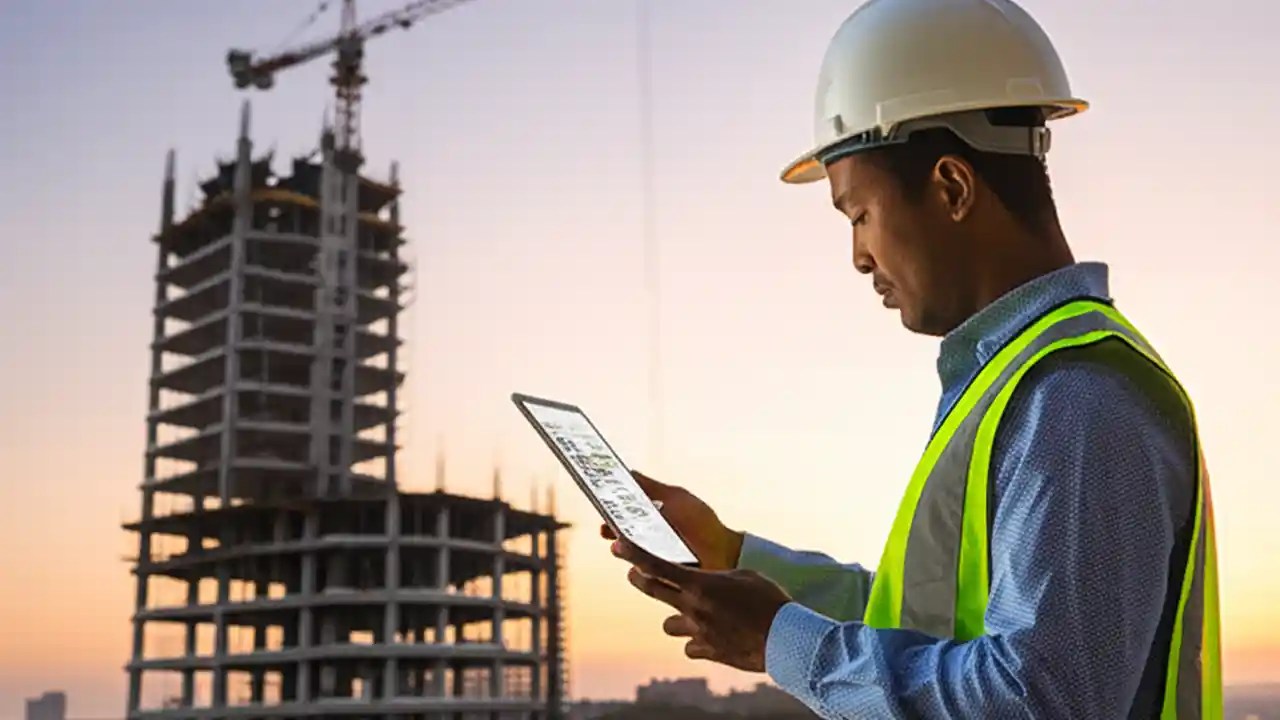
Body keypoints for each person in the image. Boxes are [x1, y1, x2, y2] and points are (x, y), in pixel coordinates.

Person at [605, 0, 1223, 717]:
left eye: (859, 214)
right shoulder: (1015, 386)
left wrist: (778, 639)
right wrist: (736, 556)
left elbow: (1038, 701)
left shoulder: (1076, 399)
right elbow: (920, 626)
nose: (859, 256)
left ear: (952, 187)